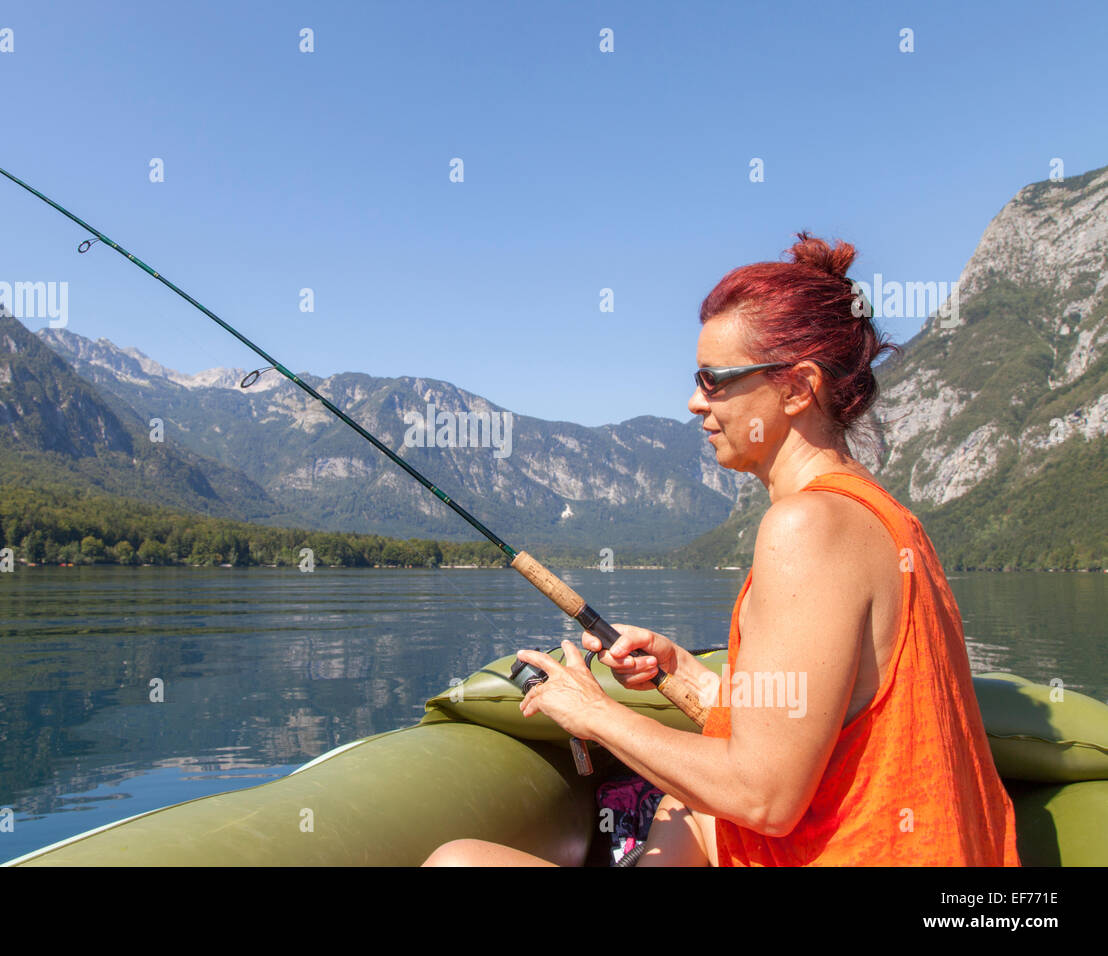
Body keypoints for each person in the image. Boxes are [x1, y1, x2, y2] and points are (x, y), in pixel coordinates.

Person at [424, 232, 1021, 866]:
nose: (694, 402)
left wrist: (596, 714)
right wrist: (682, 672)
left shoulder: (806, 527)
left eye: (713, 380)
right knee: (686, 819)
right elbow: (796, 722)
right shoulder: (881, 516)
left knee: (457, 862)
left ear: (796, 389)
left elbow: (766, 797)